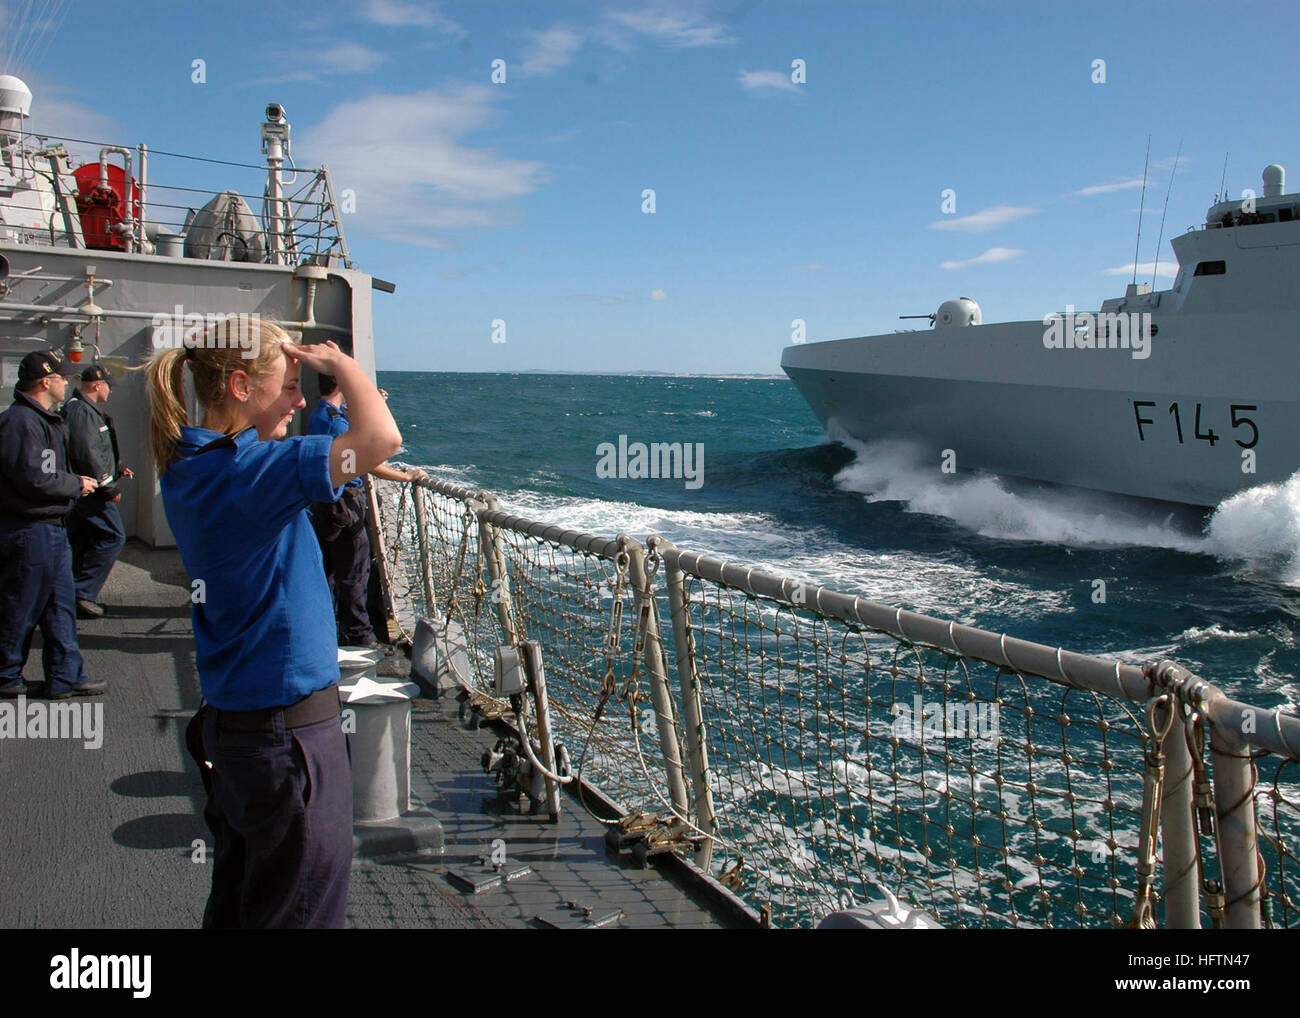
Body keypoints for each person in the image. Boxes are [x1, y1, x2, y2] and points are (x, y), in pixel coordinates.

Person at [142, 320, 401, 928]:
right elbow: (381, 438)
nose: (300, 399)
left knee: (245, 904)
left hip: (238, 731)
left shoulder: (188, 461)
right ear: (239, 385)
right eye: (290, 384)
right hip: (289, 744)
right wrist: (343, 365)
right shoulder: (251, 473)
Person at [0, 349, 104, 699]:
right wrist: (76, 484)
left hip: (52, 529)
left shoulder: (43, 420)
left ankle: (66, 676)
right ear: (46, 382)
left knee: (60, 605)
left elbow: (43, 473)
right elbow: (34, 478)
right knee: (20, 605)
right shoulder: (21, 422)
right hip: (31, 531)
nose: (66, 383)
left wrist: (72, 483)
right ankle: (5, 675)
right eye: (62, 377)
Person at [307, 371, 426, 649]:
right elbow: (366, 463)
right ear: (340, 383)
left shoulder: (322, 415)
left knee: (333, 571)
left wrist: (375, 401)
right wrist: (406, 477)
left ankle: (333, 629)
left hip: (328, 502)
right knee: (354, 572)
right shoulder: (337, 425)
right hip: (345, 504)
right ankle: (360, 637)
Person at [63, 364, 133, 618]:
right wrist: (109, 487)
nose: (110, 391)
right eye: (108, 386)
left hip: (89, 489)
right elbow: (87, 454)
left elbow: (98, 449)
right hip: (91, 492)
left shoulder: (84, 410)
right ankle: (82, 593)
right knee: (113, 536)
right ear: (97, 385)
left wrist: (118, 468)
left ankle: (67, 593)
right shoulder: (82, 412)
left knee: (83, 539)